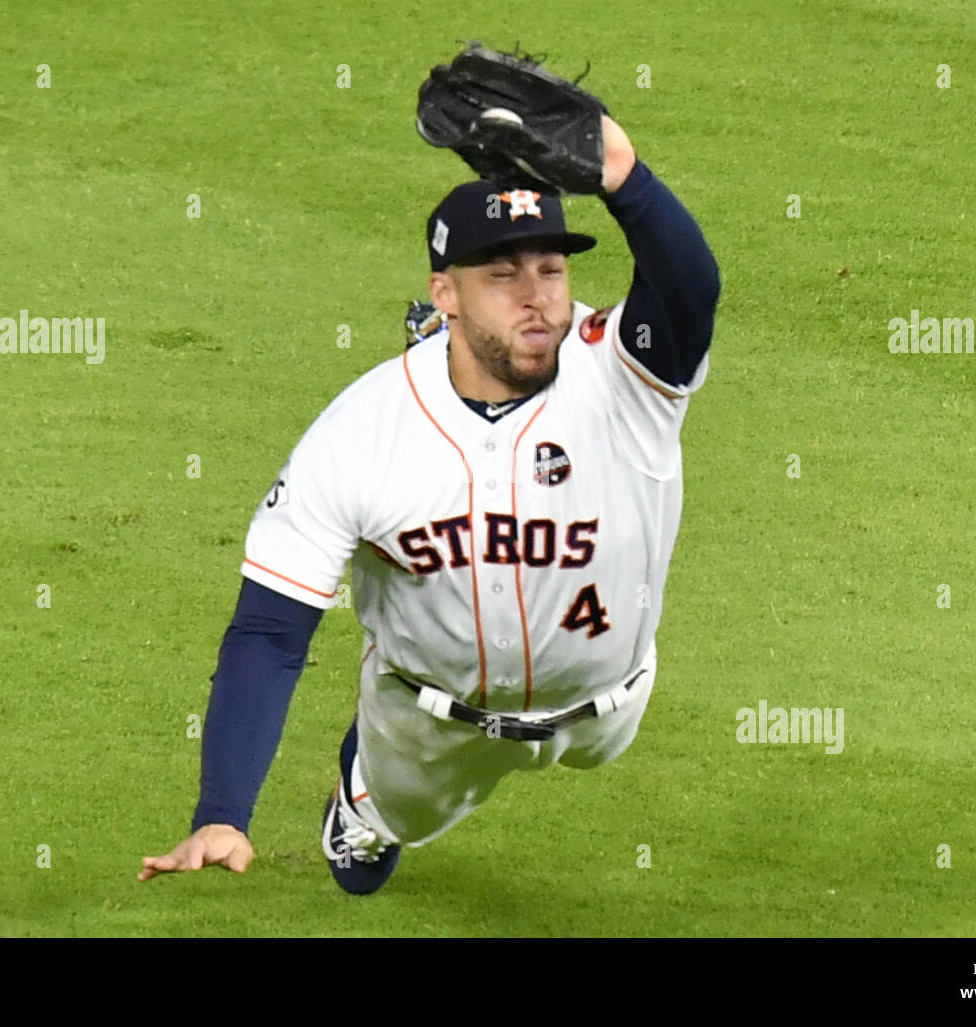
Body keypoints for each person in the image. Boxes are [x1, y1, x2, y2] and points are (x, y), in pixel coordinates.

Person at [139, 116, 721, 894]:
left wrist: (625, 176)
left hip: (608, 708)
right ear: (445, 290)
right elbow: (271, 632)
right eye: (502, 277)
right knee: (366, 862)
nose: (538, 299)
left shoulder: (624, 374)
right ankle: (362, 802)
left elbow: (691, 288)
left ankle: (441, 338)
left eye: (551, 270)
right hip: (426, 727)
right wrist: (223, 810)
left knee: (592, 737)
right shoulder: (357, 435)